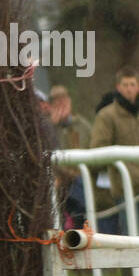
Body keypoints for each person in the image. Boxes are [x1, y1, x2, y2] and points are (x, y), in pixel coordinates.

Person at [90, 67, 139, 236]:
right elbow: (98, 149)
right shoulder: (106, 116)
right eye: (125, 84)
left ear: (138, 87)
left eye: (132, 84)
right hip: (122, 189)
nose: (129, 88)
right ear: (118, 87)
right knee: (129, 236)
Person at [48, 85, 91, 228]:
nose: (62, 106)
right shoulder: (47, 127)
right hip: (60, 182)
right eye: (57, 103)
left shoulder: (83, 125)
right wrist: (52, 126)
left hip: (81, 179)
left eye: (64, 101)